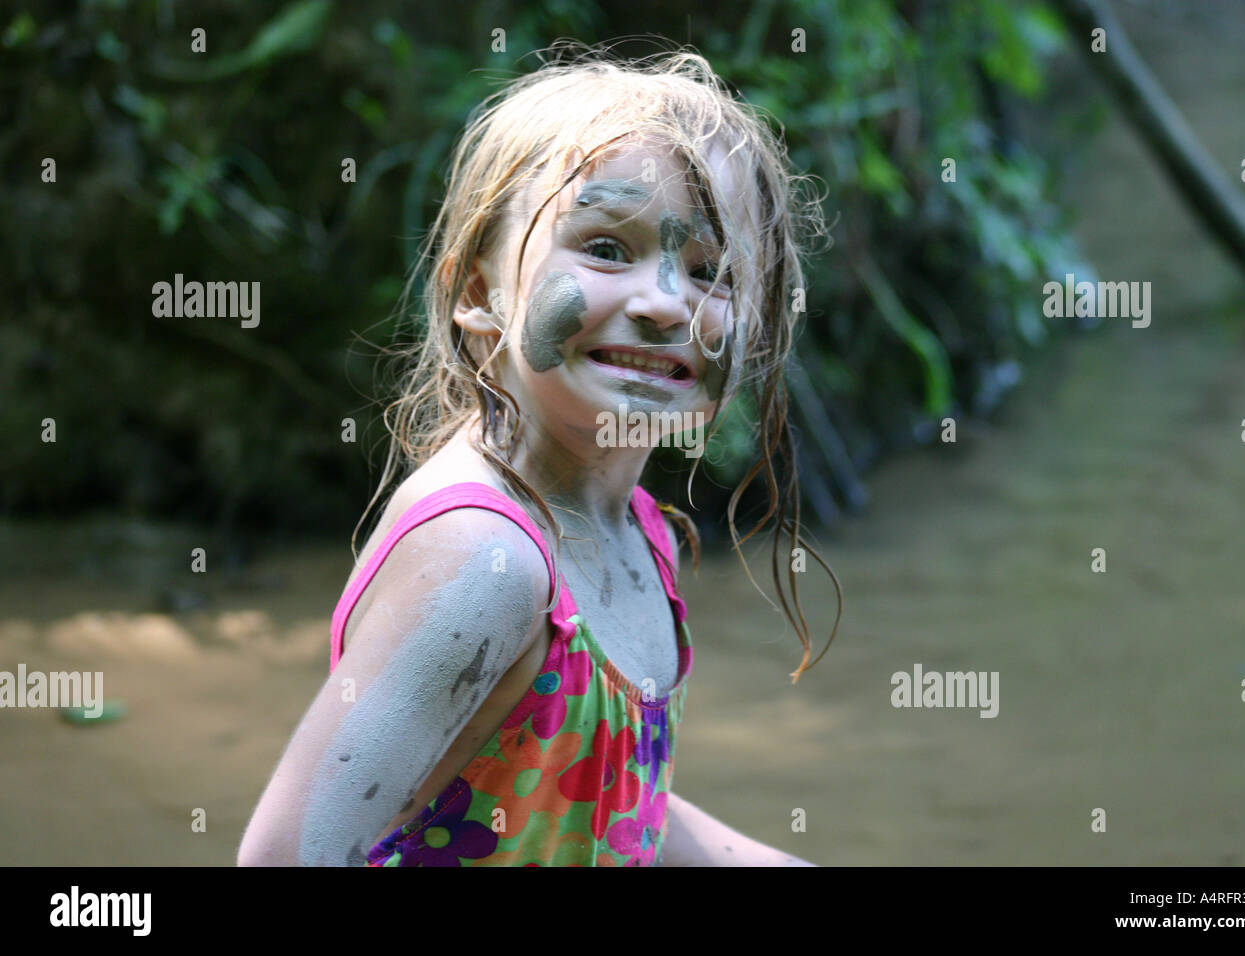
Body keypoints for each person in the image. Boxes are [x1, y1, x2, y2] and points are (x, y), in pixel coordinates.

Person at [238, 44, 838, 867]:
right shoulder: (487, 560)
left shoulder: (637, 533)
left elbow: (611, 802)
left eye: (711, 270)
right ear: (479, 294)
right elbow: (284, 859)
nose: (664, 303)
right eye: (603, 248)